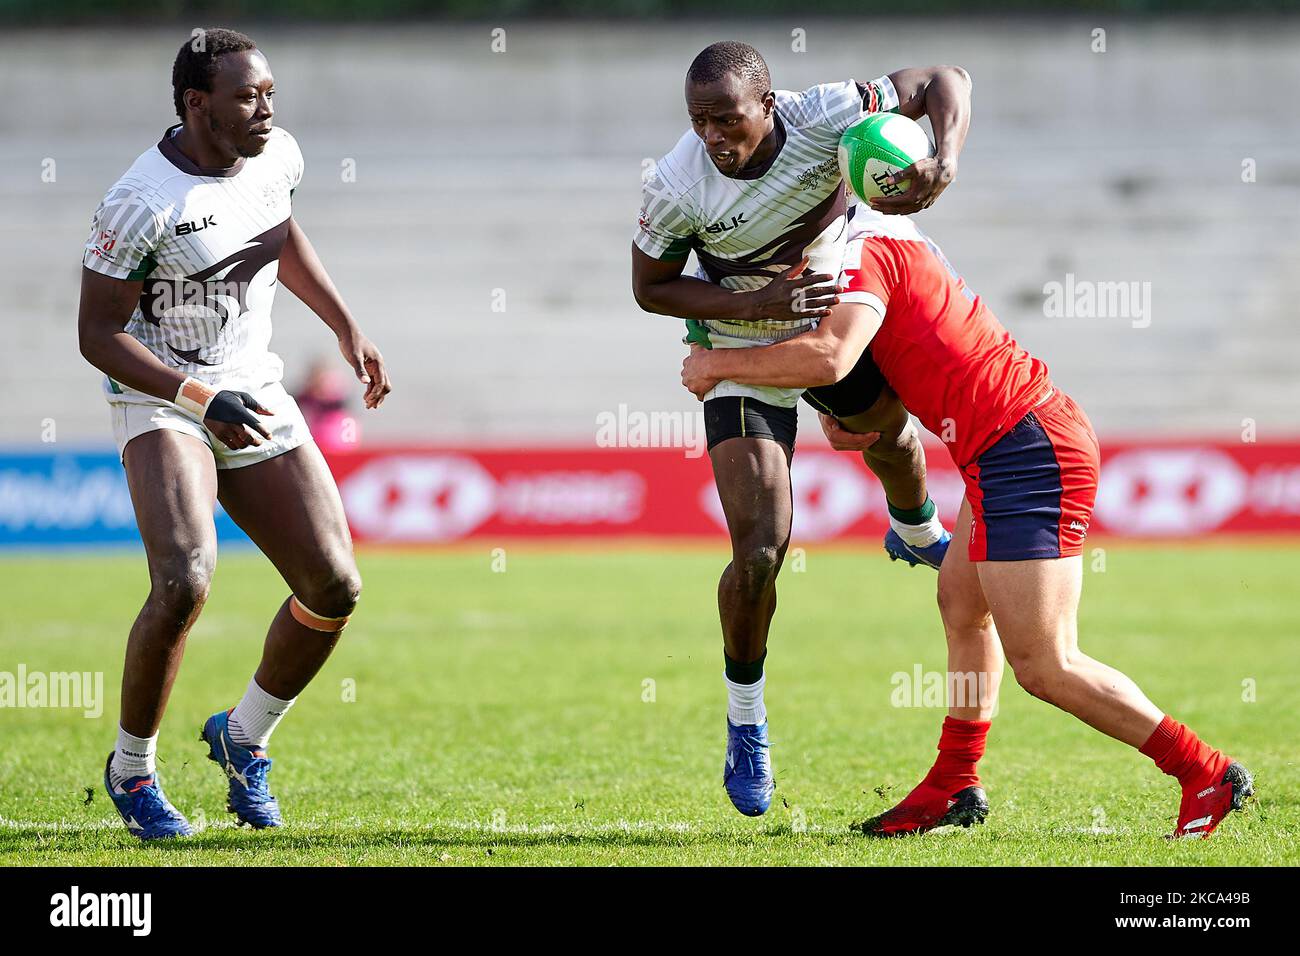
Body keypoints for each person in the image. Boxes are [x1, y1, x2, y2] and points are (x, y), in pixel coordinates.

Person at [680, 210, 1254, 838]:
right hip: (1004, 446)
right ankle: (954, 782)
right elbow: (901, 352)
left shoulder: (867, 251)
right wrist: (844, 411)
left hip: (1027, 450)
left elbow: (830, 354)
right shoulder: (889, 242)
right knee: (961, 605)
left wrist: (715, 367)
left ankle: (1204, 770)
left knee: (1045, 664)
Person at [632, 40, 972, 816]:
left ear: (771, 104)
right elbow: (650, 288)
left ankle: (914, 529)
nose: (713, 136)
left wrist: (941, 162)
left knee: (889, 437)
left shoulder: (824, 113)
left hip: (825, 307)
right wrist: (757, 306)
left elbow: (944, 78)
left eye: (727, 119)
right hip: (741, 351)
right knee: (759, 550)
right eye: (699, 120)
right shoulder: (677, 183)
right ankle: (746, 723)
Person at [78, 28, 391, 839]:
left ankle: (243, 736)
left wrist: (345, 323)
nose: (266, 109)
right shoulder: (139, 201)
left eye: (270, 93)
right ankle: (133, 770)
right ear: (195, 103)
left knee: (335, 586)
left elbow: (277, 235)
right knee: (183, 578)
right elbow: (97, 334)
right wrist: (194, 393)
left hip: (249, 385)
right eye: (248, 96)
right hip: (160, 397)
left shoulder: (277, 154)